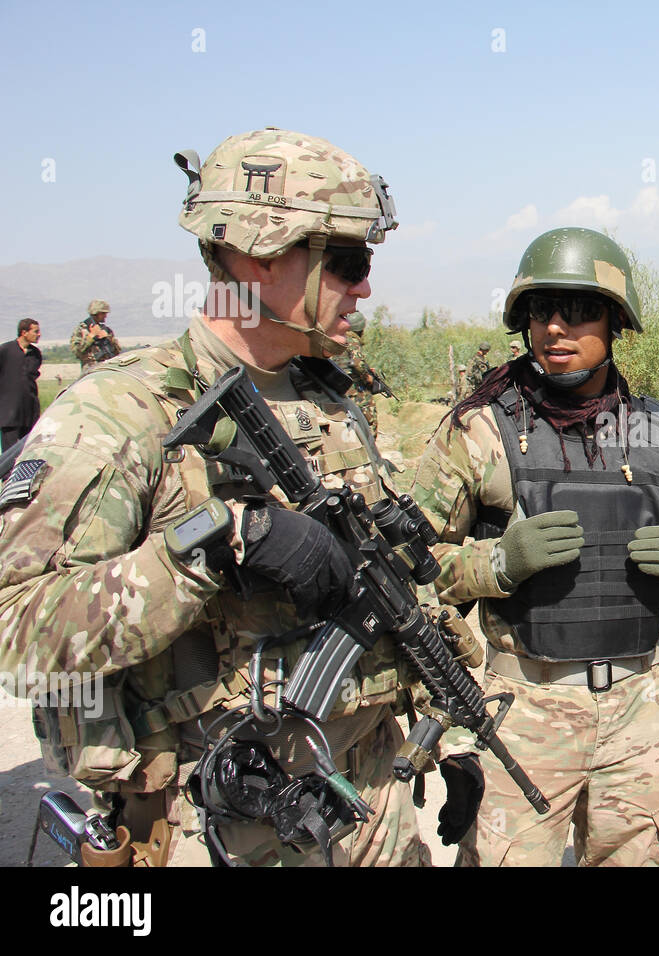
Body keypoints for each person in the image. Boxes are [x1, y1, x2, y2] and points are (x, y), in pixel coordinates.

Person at [0, 127, 461, 867]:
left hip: (364, 796)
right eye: (347, 261)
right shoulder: (122, 412)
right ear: (258, 255)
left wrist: (451, 730)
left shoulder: (332, 401)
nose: (366, 286)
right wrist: (222, 542)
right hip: (216, 814)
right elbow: (15, 630)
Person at [409, 226, 659, 866]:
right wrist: (494, 563)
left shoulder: (655, 431)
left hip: (638, 707)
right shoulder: (481, 430)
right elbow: (408, 564)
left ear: (616, 322)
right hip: (524, 710)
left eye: (579, 311)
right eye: (540, 311)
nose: (556, 327)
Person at [0, 318, 42, 451]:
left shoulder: (35, 354)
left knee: (29, 452)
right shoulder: (5, 350)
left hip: (29, 412)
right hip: (9, 413)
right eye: (36, 331)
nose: (39, 334)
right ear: (24, 332)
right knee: (9, 454)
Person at [342, 314, 381, 435]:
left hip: (339, 387)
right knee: (369, 414)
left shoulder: (339, 339)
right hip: (354, 388)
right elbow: (357, 363)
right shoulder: (352, 340)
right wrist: (368, 377)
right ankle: (370, 443)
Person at [71, 299, 121, 371]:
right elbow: (77, 351)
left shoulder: (106, 330)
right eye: (103, 313)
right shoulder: (81, 330)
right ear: (96, 313)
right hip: (90, 370)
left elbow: (117, 351)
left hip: (108, 367)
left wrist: (108, 338)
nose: (105, 316)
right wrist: (91, 336)